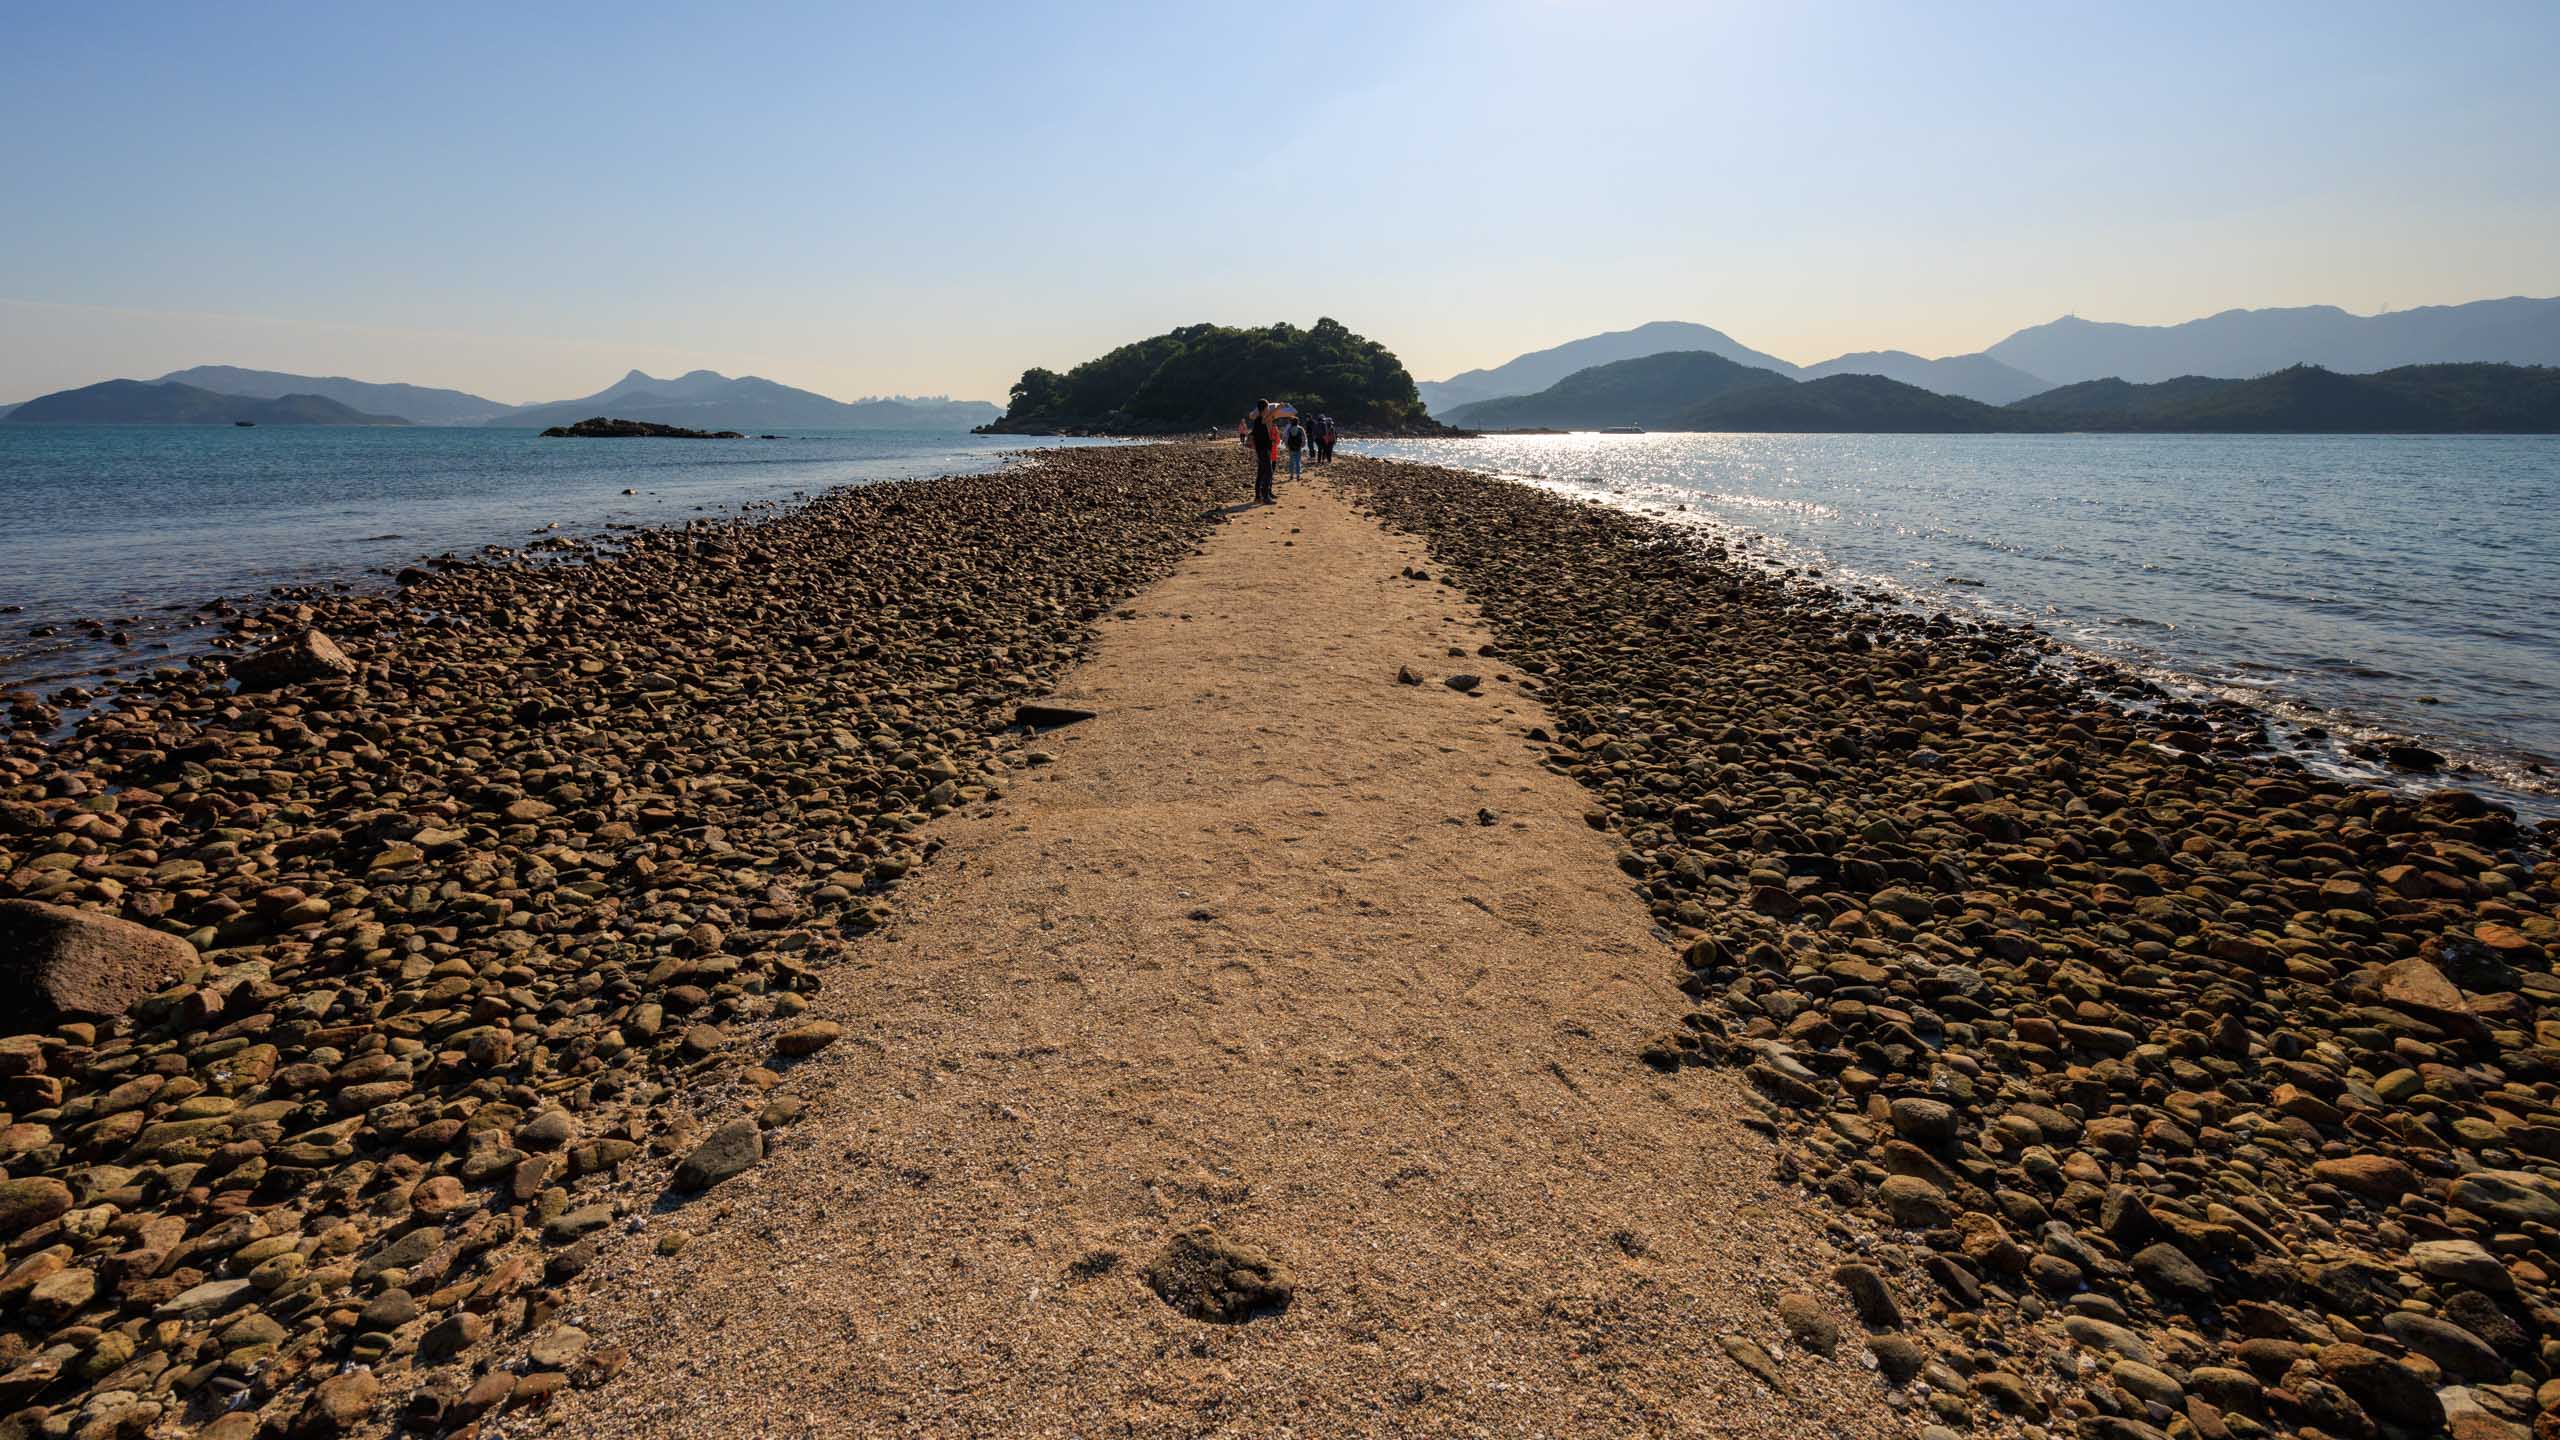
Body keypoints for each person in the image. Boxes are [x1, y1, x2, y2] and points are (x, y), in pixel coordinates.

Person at [1247, 401, 1276, 504]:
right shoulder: (1260, 419)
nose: (1268, 409)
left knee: (1261, 473)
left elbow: (1255, 434)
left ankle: (1258, 497)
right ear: (1264, 408)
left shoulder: (1258, 420)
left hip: (1260, 450)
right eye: (1267, 407)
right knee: (1268, 473)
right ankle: (1265, 497)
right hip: (1263, 450)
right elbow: (1269, 417)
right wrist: (1278, 408)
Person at [1284, 416, 1307, 482]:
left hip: (1291, 447)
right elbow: (1304, 438)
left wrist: (1287, 446)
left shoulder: (1289, 429)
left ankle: (1291, 475)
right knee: (1298, 461)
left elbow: (1286, 438)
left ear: (1291, 422)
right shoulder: (1300, 429)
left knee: (1291, 461)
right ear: (1298, 422)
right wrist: (1303, 445)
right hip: (1298, 447)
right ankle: (1298, 476)